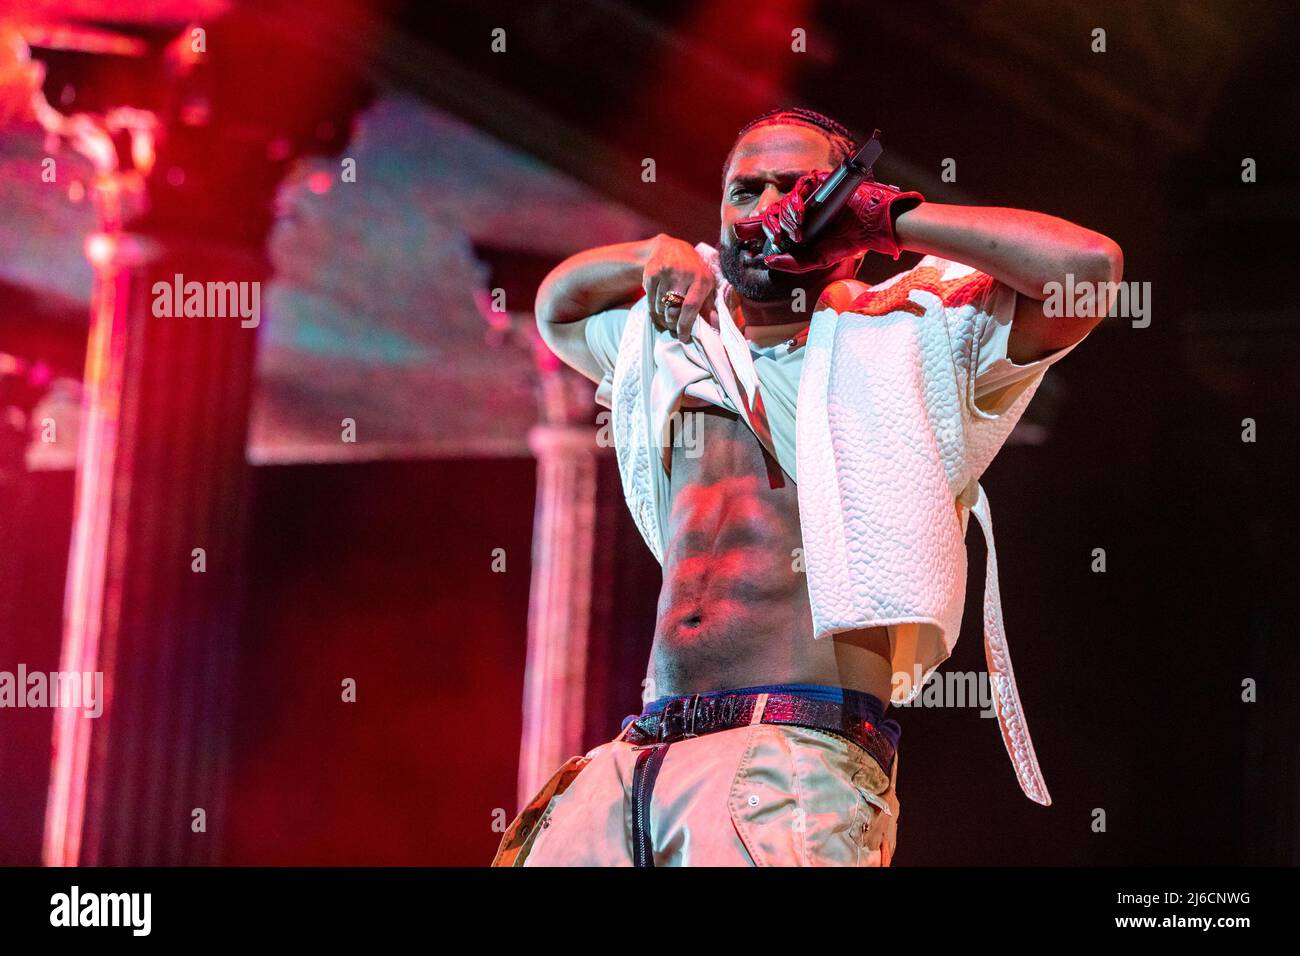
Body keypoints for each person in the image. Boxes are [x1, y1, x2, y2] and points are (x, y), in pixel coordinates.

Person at [495, 107, 1122, 867]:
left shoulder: (909, 331)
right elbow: (555, 309)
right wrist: (645, 256)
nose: (767, 209)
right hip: (640, 749)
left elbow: (1088, 273)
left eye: (798, 189)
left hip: (792, 746)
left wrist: (888, 219)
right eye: (745, 190)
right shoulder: (678, 340)